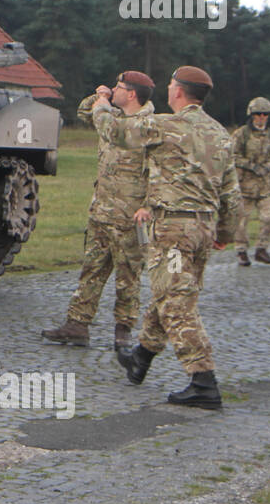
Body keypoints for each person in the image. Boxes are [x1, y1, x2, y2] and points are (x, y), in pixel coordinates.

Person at [93, 66, 241, 409]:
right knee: (171, 294)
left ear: (178, 92)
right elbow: (232, 194)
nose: (169, 89)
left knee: (177, 305)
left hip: (173, 229)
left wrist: (101, 103)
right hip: (203, 228)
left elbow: (115, 132)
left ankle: (203, 380)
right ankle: (141, 357)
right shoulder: (220, 134)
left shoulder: (163, 125)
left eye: (171, 84)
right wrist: (224, 233)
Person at [42, 70, 155, 351]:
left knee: (128, 276)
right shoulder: (111, 116)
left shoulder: (150, 126)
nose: (113, 90)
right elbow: (84, 111)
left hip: (131, 218)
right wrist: (100, 96)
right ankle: (77, 324)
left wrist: (149, 207)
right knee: (91, 269)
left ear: (131, 94)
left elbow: (160, 174)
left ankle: (124, 330)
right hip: (102, 212)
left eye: (118, 88)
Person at [231, 97, 270, 265]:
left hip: (265, 186)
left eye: (265, 114)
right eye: (258, 114)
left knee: (269, 217)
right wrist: (251, 166)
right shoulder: (241, 134)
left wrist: (266, 167)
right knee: (242, 221)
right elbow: (233, 156)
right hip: (245, 186)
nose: (261, 118)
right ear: (251, 115)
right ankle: (241, 251)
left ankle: (262, 249)